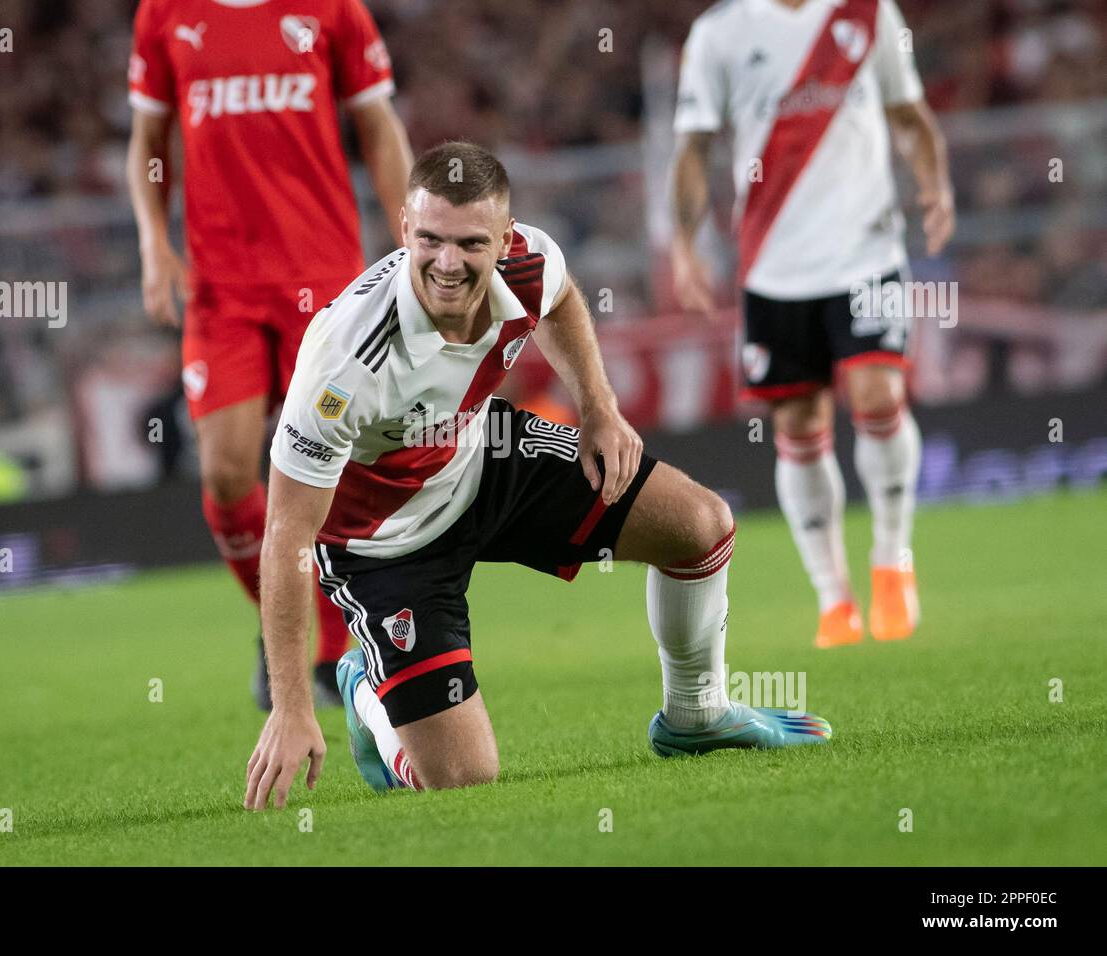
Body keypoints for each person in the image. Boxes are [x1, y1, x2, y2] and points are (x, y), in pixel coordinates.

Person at [243, 142, 831, 809]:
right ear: (404, 228)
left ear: (503, 238)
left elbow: (561, 300)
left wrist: (599, 407)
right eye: (429, 239)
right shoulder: (345, 360)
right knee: (463, 779)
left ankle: (696, 717)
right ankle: (366, 689)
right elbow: (288, 533)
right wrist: (291, 707)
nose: (447, 262)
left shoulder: (529, 259)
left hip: (484, 458)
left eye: (470, 243)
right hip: (385, 545)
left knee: (701, 526)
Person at [126, 0, 414, 706]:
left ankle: (335, 645)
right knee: (226, 476)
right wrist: (151, 240)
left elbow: (377, 126)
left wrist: (413, 237)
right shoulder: (165, 13)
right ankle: (283, 620)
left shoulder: (332, 9)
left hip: (323, 278)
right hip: (221, 286)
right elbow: (149, 140)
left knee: (339, 469)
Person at [670, 0, 955, 648]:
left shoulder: (868, 12)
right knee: (798, 423)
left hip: (867, 249)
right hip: (773, 262)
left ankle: (891, 561)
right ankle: (834, 599)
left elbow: (910, 117)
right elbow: (694, 146)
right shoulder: (720, 34)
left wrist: (934, 181)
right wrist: (687, 244)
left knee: (878, 391)